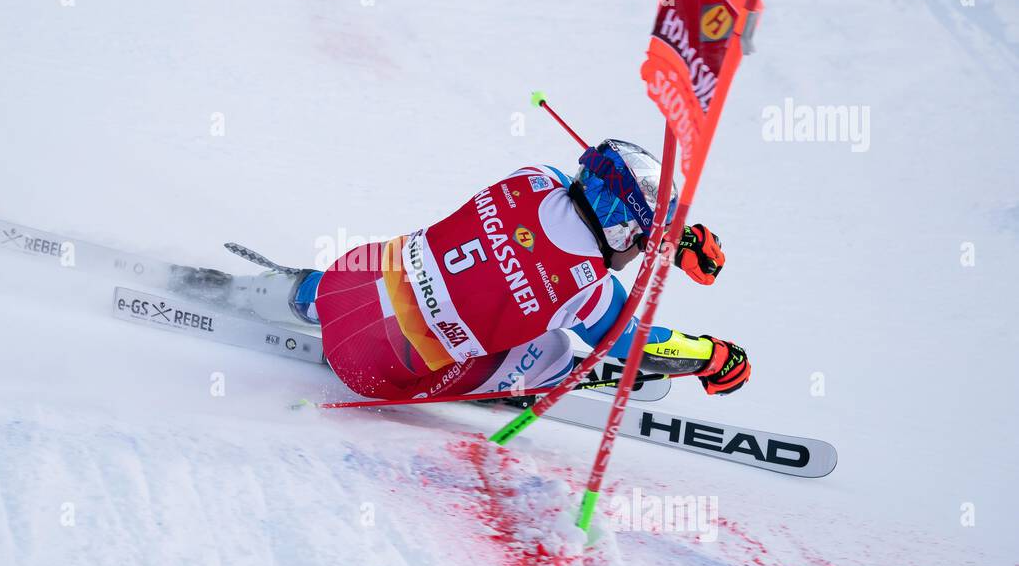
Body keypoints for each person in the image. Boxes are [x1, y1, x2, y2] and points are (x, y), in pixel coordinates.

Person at [227, 139, 749, 402]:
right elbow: (639, 347)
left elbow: (589, 196)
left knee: (433, 270)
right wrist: (712, 356)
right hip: (367, 368)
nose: (639, 254)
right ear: (620, 233)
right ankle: (527, 383)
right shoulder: (589, 294)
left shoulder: (533, 177)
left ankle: (302, 293)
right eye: (641, 243)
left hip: (347, 283)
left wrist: (666, 235)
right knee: (558, 347)